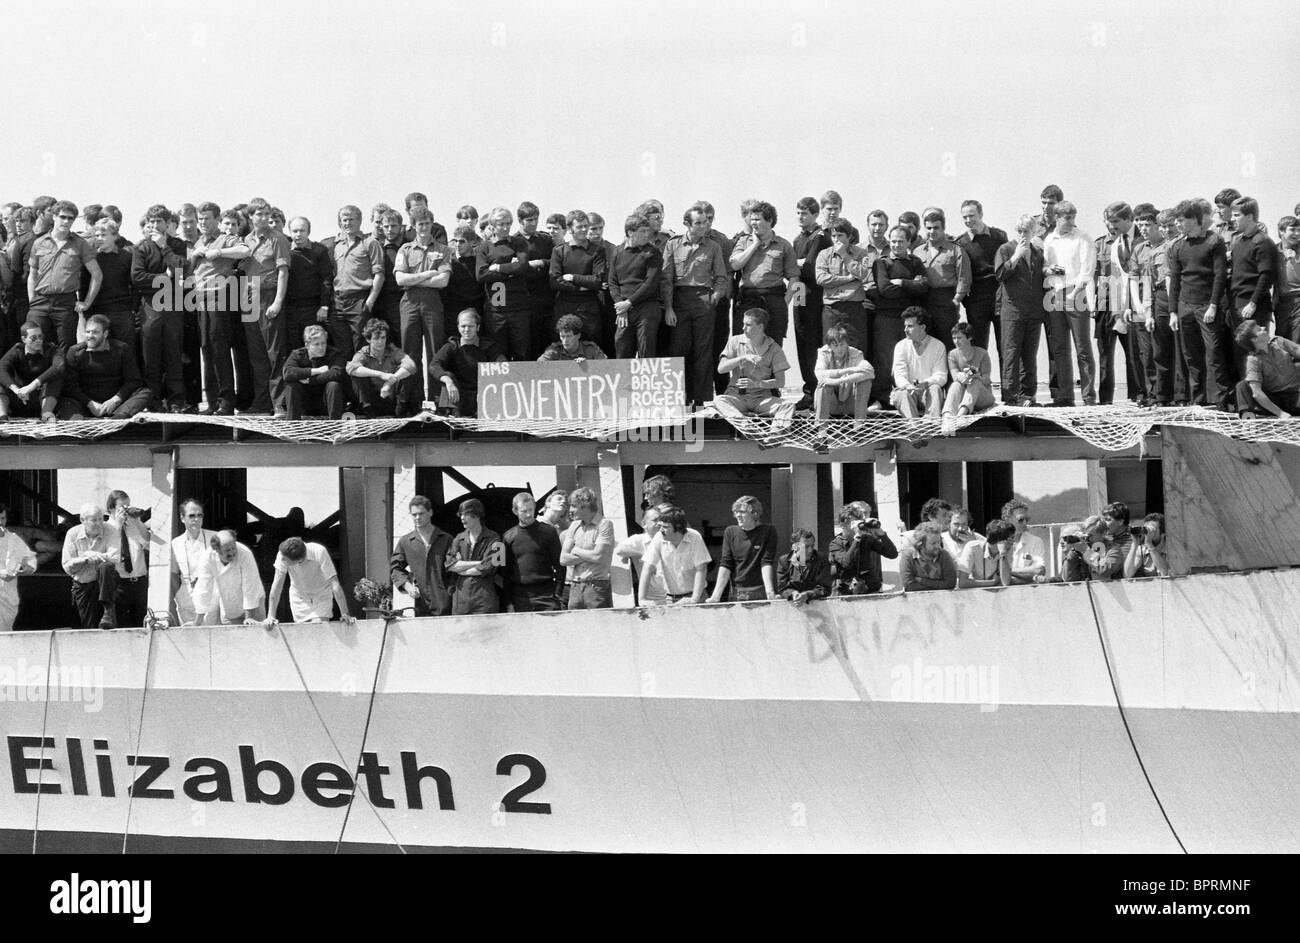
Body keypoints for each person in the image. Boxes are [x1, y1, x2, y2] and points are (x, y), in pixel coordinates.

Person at [662, 205, 730, 407]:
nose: (704, 225)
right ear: (687, 224)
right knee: (679, 349)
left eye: (705, 222)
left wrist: (715, 297)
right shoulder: (673, 245)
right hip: (679, 300)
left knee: (703, 350)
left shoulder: (713, 246)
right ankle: (680, 397)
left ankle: (700, 399)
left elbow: (721, 277)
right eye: (698, 223)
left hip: (704, 300)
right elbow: (666, 279)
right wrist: (668, 308)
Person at [1168, 200, 1230, 409]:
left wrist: (1213, 305)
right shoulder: (1178, 246)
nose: (1177, 224)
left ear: (1194, 220)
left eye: (1181, 220)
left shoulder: (1214, 241)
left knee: (1213, 352)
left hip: (1207, 306)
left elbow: (1220, 276)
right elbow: (1175, 281)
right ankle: (1199, 399)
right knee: (1191, 355)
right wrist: (1173, 312)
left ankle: (1218, 399)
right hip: (1184, 306)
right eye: (1176, 220)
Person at [129, 204, 189, 411]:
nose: (154, 225)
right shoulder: (141, 247)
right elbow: (137, 277)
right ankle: (152, 401)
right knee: (150, 356)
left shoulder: (177, 245)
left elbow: (181, 269)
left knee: (173, 354)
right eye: (151, 222)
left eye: (158, 222)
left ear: (167, 223)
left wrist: (164, 247)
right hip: (150, 306)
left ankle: (176, 401)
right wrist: (164, 277)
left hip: (173, 305)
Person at [393, 207, 452, 412]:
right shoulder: (405, 249)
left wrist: (414, 279)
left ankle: (437, 402)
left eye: (427, 223)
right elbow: (400, 279)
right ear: (414, 226)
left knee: (435, 351)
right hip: (409, 303)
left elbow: (443, 281)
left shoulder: (443, 249)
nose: (424, 227)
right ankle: (412, 402)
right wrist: (428, 274)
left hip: (432, 303)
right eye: (420, 224)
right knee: (410, 352)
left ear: (432, 224)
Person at [1042, 200, 1098, 405]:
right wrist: (1049, 270)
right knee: (1059, 347)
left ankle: (1089, 396)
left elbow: (1087, 270)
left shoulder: (1083, 237)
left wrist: (1075, 292)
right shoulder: (1049, 239)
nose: (1072, 222)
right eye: (1067, 218)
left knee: (1082, 347)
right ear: (1057, 218)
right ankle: (1065, 396)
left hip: (1077, 293)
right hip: (1054, 294)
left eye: (1074, 217)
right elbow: (1044, 267)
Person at [240, 199, 292, 415]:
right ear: (250, 217)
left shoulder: (277, 238)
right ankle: (262, 402)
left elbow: (283, 271)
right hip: (248, 297)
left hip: (268, 296)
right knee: (257, 355)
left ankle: (279, 403)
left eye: (266, 214)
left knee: (274, 353)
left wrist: (278, 301)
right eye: (259, 214)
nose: (264, 218)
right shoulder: (246, 240)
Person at [27, 200, 101, 350]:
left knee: (66, 348)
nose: (66, 221)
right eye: (62, 216)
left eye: (70, 218)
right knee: (34, 345)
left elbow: (97, 274)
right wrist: (32, 299)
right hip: (40, 301)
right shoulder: (39, 242)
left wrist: (87, 302)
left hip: (65, 303)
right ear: (54, 216)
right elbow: (32, 273)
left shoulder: (80, 244)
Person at [728, 199, 801, 344]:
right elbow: (735, 264)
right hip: (748, 300)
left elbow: (794, 277)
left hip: (773, 300)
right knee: (744, 345)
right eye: (752, 219)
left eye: (757, 219)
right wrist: (755, 245)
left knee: (772, 345)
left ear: (769, 221)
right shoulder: (744, 242)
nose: (753, 223)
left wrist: (785, 301)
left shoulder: (783, 245)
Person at [872, 226, 929, 407]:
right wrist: (911, 287)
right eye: (893, 241)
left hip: (910, 319)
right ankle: (882, 399)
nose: (896, 245)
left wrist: (902, 282)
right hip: (886, 317)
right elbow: (884, 289)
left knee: (909, 358)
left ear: (909, 243)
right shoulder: (882, 263)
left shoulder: (916, 263)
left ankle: (909, 398)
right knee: (885, 359)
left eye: (901, 241)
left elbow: (923, 288)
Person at [994, 214, 1047, 405]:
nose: (1023, 235)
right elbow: (1000, 274)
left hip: (1033, 310)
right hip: (1013, 310)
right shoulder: (1006, 249)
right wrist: (1016, 256)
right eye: (1020, 231)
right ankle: (1010, 397)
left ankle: (1028, 395)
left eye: (1027, 231)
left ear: (1033, 232)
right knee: (1011, 353)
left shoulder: (1038, 253)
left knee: (1029, 354)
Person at [57, 314, 153, 419]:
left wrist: (115, 400)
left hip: (115, 405)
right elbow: (70, 386)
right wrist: (90, 404)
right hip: (87, 404)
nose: (90, 336)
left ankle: (117, 420)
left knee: (145, 393)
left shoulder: (122, 349)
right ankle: (78, 422)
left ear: (105, 333)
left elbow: (133, 381)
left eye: (95, 332)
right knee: (66, 401)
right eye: (88, 332)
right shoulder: (75, 352)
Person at [713, 307, 795, 425]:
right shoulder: (735, 341)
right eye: (743, 324)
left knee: (788, 406)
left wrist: (757, 384)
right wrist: (742, 358)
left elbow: (780, 382)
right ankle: (746, 426)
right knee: (719, 400)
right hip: (737, 397)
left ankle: (776, 435)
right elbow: (721, 369)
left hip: (761, 399)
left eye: (748, 325)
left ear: (760, 327)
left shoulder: (774, 349)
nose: (743, 328)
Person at [1127, 206, 1175, 406]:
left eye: (1148, 224)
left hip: (1161, 298)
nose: (1144, 228)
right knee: (1145, 353)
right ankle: (1151, 395)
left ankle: (1165, 395)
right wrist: (1135, 304)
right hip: (1142, 301)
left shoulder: (1168, 247)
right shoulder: (1139, 248)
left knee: (1161, 351)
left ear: (1157, 226)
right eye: (1141, 224)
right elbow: (1132, 277)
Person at [475, 207, 533, 360]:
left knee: (522, 353)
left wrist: (498, 267)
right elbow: (481, 275)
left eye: (508, 223)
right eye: (501, 224)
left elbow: (523, 267)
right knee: (498, 354)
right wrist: (511, 270)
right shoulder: (484, 247)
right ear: (492, 226)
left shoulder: (519, 243)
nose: (506, 227)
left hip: (518, 307)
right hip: (496, 310)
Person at [793, 197, 833, 410]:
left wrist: (796, 264)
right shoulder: (798, 239)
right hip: (798, 295)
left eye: (805, 213)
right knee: (801, 342)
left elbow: (809, 267)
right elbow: (791, 269)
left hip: (815, 297)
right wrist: (795, 265)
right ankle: (808, 391)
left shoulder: (820, 237)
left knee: (814, 344)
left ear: (816, 215)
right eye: (798, 213)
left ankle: (818, 391)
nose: (801, 217)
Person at [913, 208, 971, 351]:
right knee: (925, 343)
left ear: (943, 228)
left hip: (946, 301)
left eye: (936, 228)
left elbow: (964, 277)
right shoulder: (918, 251)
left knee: (947, 343)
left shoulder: (955, 250)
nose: (932, 231)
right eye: (929, 228)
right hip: (924, 300)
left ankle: (949, 374)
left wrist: (956, 300)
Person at [429, 308, 505, 417]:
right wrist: (448, 381)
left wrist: (487, 388)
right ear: (458, 327)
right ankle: (452, 420)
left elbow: (503, 365)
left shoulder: (488, 346)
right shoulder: (451, 346)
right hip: (457, 395)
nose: (466, 330)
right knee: (448, 376)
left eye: (470, 326)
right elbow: (434, 365)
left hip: (483, 396)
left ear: (478, 327)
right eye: (463, 326)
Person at [549, 209, 607, 347]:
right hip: (564, 306)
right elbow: (554, 281)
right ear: (570, 229)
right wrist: (582, 286)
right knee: (562, 347)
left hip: (589, 307)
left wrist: (573, 277)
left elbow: (598, 280)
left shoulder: (598, 250)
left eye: (585, 226)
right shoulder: (559, 251)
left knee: (592, 345)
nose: (584, 229)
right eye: (579, 226)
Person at [331, 205, 385, 355]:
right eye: (344, 220)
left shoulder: (370, 243)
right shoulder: (337, 246)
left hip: (359, 300)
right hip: (338, 302)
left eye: (351, 220)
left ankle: (360, 378)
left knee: (360, 346)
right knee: (342, 348)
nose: (347, 223)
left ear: (360, 221)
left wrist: (370, 300)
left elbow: (379, 274)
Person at [956, 200, 1007, 356]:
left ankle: (1007, 381)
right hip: (976, 301)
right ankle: (981, 381)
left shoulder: (999, 236)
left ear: (981, 214)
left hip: (999, 298)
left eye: (972, 216)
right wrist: (968, 302)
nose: (968, 220)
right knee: (978, 347)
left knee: (1004, 345)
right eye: (964, 217)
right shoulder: (960, 243)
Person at [608, 213, 663, 359]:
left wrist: (629, 303)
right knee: (622, 347)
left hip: (646, 307)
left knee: (646, 352)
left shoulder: (653, 252)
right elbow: (612, 282)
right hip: (624, 309)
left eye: (647, 231)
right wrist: (620, 305)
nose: (647, 235)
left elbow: (650, 283)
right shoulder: (617, 252)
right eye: (642, 231)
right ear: (630, 232)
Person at [815, 217, 872, 355]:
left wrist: (844, 255)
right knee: (830, 350)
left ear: (849, 236)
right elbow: (821, 278)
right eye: (833, 235)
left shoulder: (861, 253)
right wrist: (848, 278)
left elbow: (862, 273)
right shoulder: (824, 254)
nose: (836, 239)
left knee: (856, 349)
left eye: (840, 235)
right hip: (832, 309)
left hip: (854, 308)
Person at [389, 495, 454, 617]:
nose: (417, 518)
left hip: (446, 604)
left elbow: (455, 569)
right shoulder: (405, 542)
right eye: (414, 515)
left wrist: (450, 593)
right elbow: (395, 568)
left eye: (421, 513)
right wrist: (407, 587)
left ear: (430, 512)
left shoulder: (447, 540)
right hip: (421, 605)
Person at [265, 536, 353, 625]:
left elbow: (334, 584)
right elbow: (277, 586)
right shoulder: (282, 555)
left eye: (285, 559)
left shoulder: (319, 551)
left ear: (299, 560)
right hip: (299, 596)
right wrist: (270, 616)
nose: (282, 559)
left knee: (319, 626)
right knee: (304, 632)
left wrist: (345, 613)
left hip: (321, 594)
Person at [707, 495, 778, 602]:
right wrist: (715, 596)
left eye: (742, 512)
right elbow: (726, 564)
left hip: (759, 591)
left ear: (755, 514)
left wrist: (770, 592)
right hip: (736, 592)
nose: (738, 515)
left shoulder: (768, 531)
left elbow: (766, 562)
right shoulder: (730, 532)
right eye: (736, 512)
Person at [61, 502, 120, 629]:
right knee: (89, 627)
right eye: (94, 520)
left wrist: (94, 555)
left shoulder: (111, 530)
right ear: (83, 520)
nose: (99, 523)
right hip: (83, 584)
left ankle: (108, 610)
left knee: (106, 567)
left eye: (101, 519)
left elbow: (115, 557)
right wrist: (85, 559)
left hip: (106, 586)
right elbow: (67, 567)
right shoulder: (72, 534)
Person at [502, 492, 564, 612]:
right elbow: (505, 574)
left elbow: (560, 565)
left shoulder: (549, 532)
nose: (529, 514)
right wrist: (509, 603)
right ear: (515, 511)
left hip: (547, 596)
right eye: (524, 511)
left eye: (531, 509)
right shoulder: (507, 537)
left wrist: (557, 593)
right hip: (520, 597)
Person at [639, 505, 710, 606]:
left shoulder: (694, 537)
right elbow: (647, 567)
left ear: (678, 527)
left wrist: (694, 599)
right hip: (670, 599)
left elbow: (701, 569)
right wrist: (641, 599)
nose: (661, 530)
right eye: (660, 526)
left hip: (697, 596)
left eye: (666, 527)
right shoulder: (659, 537)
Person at [346, 318, 417, 418]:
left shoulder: (392, 350)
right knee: (357, 375)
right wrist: (380, 374)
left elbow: (411, 366)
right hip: (372, 398)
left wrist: (388, 383)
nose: (380, 342)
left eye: (383, 338)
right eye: (376, 338)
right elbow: (351, 369)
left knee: (407, 374)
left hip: (392, 396)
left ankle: (400, 413)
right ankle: (369, 414)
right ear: (368, 339)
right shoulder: (363, 353)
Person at [192, 530, 265, 625]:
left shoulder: (245, 553)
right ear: (216, 550)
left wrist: (249, 618)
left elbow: (250, 586)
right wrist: (197, 622)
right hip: (230, 608)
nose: (232, 552)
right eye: (227, 550)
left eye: (233, 548)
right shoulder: (207, 558)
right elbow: (203, 588)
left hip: (254, 606)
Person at [446, 498, 504, 615]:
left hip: (484, 599)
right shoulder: (458, 538)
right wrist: (479, 563)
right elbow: (450, 565)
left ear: (477, 515)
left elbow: (492, 566)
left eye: (466, 514)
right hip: (461, 599)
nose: (462, 518)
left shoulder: (495, 538)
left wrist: (462, 570)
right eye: (461, 514)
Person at [559, 487, 614, 610]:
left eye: (573, 506)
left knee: (597, 625)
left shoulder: (604, 524)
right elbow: (563, 559)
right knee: (575, 626)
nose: (570, 510)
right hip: (575, 587)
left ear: (584, 505)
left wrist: (576, 550)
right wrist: (590, 555)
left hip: (596, 587)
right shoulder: (574, 526)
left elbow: (598, 557)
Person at [1233, 320, 1300, 417]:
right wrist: (1281, 414)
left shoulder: (1278, 342)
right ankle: (1248, 419)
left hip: (1294, 396)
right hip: (1272, 401)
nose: (1264, 328)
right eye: (1259, 329)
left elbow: (1297, 349)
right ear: (1254, 339)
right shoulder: (1253, 360)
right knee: (1242, 385)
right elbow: (1257, 393)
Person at [891, 306, 947, 418]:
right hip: (908, 393)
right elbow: (899, 375)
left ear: (922, 327)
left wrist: (926, 383)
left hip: (928, 392)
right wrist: (907, 386)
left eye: (910, 326)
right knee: (902, 393)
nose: (905, 329)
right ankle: (914, 430)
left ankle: (933, 425)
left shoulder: (938, 346)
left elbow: (941, 375)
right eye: (905, 326)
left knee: (935, 388)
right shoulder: (900, 346)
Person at [515, 202, 555, 360]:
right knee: (527, 345)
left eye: (536, 219)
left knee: (547, 342)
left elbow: (556, 262)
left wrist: (542, 263)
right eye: (529, 220)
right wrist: (526, 266)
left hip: (546, 299)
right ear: (520, 220)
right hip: (524, 300)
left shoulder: (545, 239)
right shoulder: (514, 241)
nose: (533, 223)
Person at [0, 321, 62, 421]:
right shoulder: (17, 350)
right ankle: (2, 418)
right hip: (21, 398)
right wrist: (16, 390)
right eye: (33, 338)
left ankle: (45, 416)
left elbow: (60, 366)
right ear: (24, 339)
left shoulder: (51, 349)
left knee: (56, 377)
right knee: (3, 380)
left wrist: (31, 386)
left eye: (40, 336)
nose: (38, 340)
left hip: (43, 399)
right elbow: (1, 368)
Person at [282, 325, 347, 419]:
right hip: (303, 402)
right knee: (291, 385)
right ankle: (292, 424)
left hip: (326, 402)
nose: (321, 347)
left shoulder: (333, 354)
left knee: (334, 385)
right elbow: (287, 373)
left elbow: (337, 372)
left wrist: (311, 380)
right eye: (316, 344)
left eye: (323, 343)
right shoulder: (298, 354)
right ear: (307, 345)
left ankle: (335, 426)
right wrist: (316, 371)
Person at [105, 490, 149, 628]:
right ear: (111, 509)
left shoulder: (133, 526)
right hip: (119, 583)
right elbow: (108, 551)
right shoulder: (106, 528)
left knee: (141, 624)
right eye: (122, 507)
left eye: (128, 507)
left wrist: (138, 522)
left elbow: (148, 544)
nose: (126, 511)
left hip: (139, 581)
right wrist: (118, 526)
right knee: (122, 625)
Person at [813, 322, 874, 420]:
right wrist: (847, 371)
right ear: (829, 346)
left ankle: (859, 425)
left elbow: (870, 372)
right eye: (835, 345)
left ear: (847, 343)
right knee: (823, 384)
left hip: (851, 403)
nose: (839, 349)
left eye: (842, 344)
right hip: (830, 404)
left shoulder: (856, 353)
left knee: (865, 382)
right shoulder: (823, 352)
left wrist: (839, 381)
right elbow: (819, 374)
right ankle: (821, 429)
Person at [171, 499, 217, 626]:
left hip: (211, 599)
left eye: (199, 515)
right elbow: (174, 574)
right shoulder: (175, 543)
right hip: (186, 599)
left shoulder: (214, 538)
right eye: (191, 515)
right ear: (182, 518)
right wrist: (179, 595)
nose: (196, 519)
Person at [615, 505, 666, 605]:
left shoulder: (669, 538)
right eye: (655, 520)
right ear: (644, 524)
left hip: (672, 596)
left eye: (661, 520)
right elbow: (619, 550)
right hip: (651, 600)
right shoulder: (639, 540)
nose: (659, 523)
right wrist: (644, 556)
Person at [943, 321, 994, 417]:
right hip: (963, 395)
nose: (956, 341)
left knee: (975, 382)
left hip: (983, 398)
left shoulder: (982, 353)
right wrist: (964, 377)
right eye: (954, 338)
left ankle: (961, 415)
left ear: (969, 338)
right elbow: (955, 377)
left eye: (959, 338)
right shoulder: (952, 354)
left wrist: (977, 376)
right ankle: (947, 416)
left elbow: (987, 380)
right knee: (955, 385)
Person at [0, 503, 37, 632]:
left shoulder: (13, 539)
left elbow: (30, 558)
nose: (1, 522)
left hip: (8, 597)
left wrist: (29, 567)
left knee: (5, 636)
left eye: (3, 518)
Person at [776, 528, 832, 605]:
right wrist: (793, 593)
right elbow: (782, 588)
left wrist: (807, 594)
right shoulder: (784, 561)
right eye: (806, 547)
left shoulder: (822, 560)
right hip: (792, 606)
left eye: (812, 546)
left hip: (817, 606)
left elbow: (825, 588)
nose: (810, 550)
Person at [955, 519, 1015, 589]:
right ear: (1001, 542)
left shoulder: (1007, 550)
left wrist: (1003, 555)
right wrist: (992, 582)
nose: (1013, 542)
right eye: (1011, 538)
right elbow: (962, 583)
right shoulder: (973, 547)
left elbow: (1005, 582)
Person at [899, 522, 957, 591]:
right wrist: (940, 585)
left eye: (939, 542)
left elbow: (950, 584)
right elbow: (909, 585)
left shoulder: (944, 555)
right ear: (921, 544)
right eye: (933, 543)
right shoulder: (908, 556)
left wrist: (923, 581)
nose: (937, 546)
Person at [1001, 499, 1046, 584]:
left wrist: (1007, 571)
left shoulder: (1036, 542)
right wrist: (1026, 575)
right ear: (1007, 520)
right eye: (1020, 519)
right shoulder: (998, 542)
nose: (1025, 523)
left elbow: (1039, 570)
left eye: (1027, 519)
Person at [538, 313, 607, 362]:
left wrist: (588, 365)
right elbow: (538, 367)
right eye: (562, 336)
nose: (565, 341)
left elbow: (606, 366)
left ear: (578, 335)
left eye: (569, 336)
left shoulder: (591, 349)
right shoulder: (554, 350)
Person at [1275, 215, 1300, 344]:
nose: (1297, 233)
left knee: (1297, 343)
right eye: (1293, 230)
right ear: (1282, 231)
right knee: (1281, 342)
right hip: (1281, 304)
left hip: (1298, 301)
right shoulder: (1274, 250)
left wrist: (1294, 262)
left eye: (1299, 230)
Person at [1123, 512, 1170, 578]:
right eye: (1146, 529)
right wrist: (1134, 545)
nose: (1148, 533)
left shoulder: (1172, 549)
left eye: (1153, 530)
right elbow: (1127, 574)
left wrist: (1149, 544)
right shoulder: (1142, 550)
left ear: (1163, 533)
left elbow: (1165, 573)